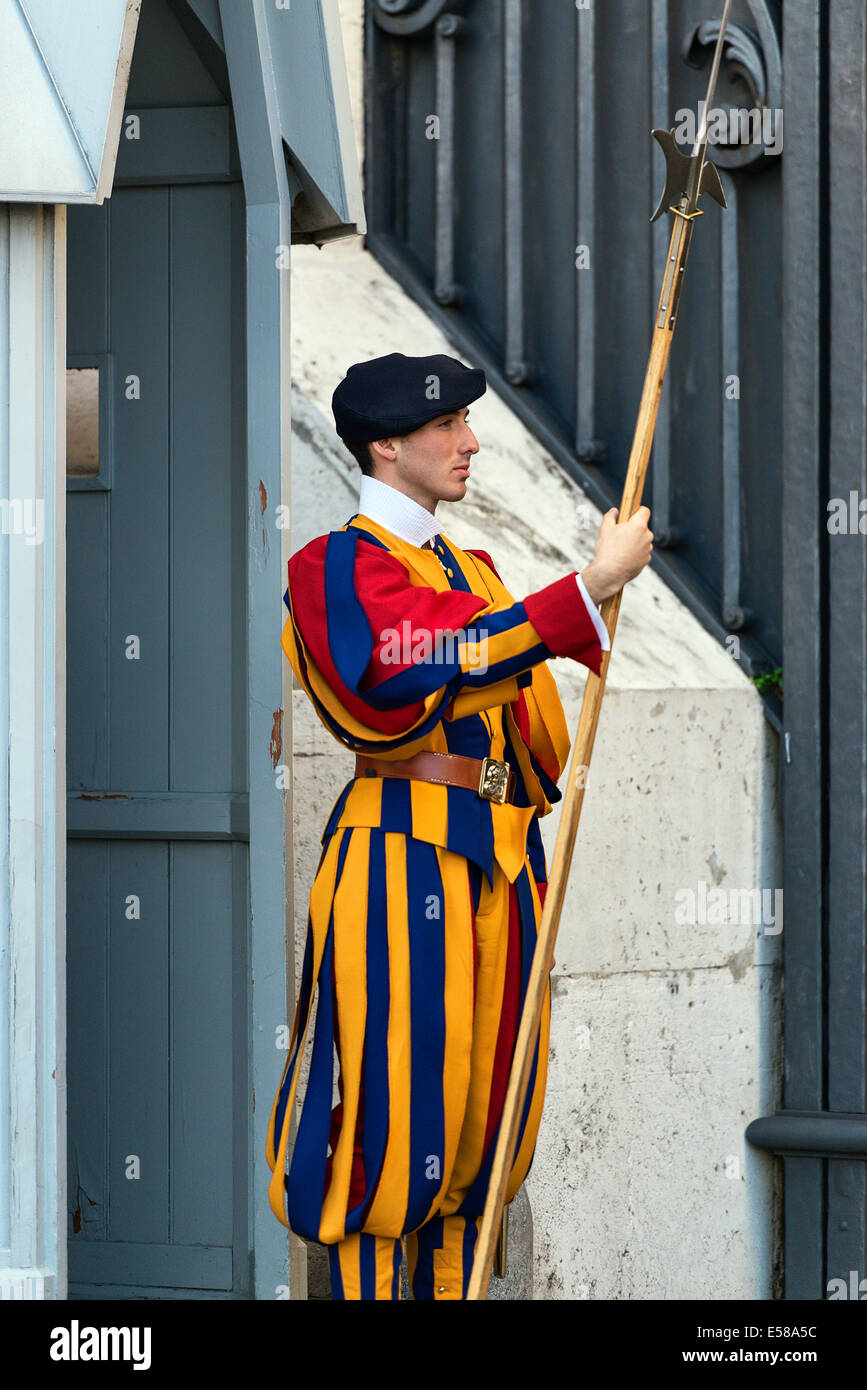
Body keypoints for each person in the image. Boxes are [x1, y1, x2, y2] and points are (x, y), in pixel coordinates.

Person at [266, 352, 653, 1299]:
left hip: (495, 857)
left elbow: (513, 686)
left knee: (486, 1118)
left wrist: (589, 598)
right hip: (400, 853)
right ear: (387, 446)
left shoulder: (465, 565)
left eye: (466, 426)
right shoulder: (332, 564)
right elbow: (404, 669)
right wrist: (577, 591)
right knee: (391, 1121)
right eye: (448, 428)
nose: (469, 443)